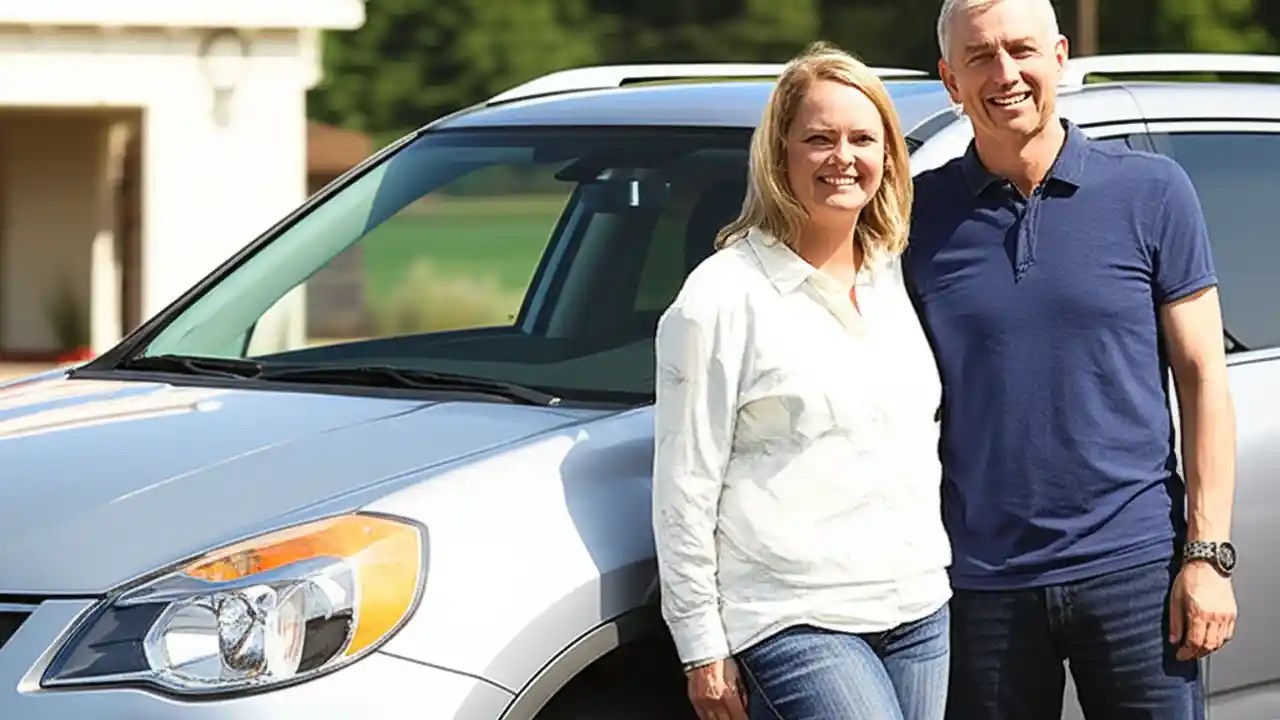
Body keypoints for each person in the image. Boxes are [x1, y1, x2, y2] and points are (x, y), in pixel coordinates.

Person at [904, 0, 1239, 717]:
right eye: (980, 57)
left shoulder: (1152, 193)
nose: (1005, 73)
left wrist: (1206, 556)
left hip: (1136, 570)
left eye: (1021, 50)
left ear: (1059, 56)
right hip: (977, 586)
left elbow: (1204, 378)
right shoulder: (911, 215)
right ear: (949, 80)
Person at [652, 41, 953, 720]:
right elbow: (684, 486)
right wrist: (701, 647)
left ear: (887, 155)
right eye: (819, 138)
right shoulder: (722, 297)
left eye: (861, 138)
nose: (842, 157)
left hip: (918, 607)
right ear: (780, 152)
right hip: (794, 615)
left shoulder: (894, 275)